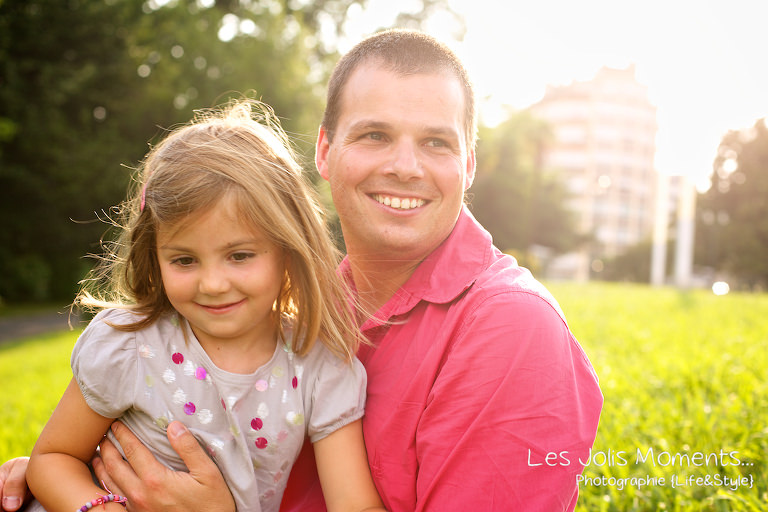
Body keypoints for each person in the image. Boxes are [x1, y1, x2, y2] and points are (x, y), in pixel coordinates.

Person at [0, 29, 602, 512]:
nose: (405, 166)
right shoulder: (303, 310)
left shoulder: (511, 330)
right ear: (324, 151)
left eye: (436, 143)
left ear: (468, 164)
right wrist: (73, 481)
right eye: (374, 134)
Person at [19, 100, 385, 512]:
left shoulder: (320, 368)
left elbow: (356, 505)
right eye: (184, 260)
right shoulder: (130, 345)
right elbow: (52, 459)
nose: (212, 284)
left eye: (240, 255)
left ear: (289, 248)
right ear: (154, 255)